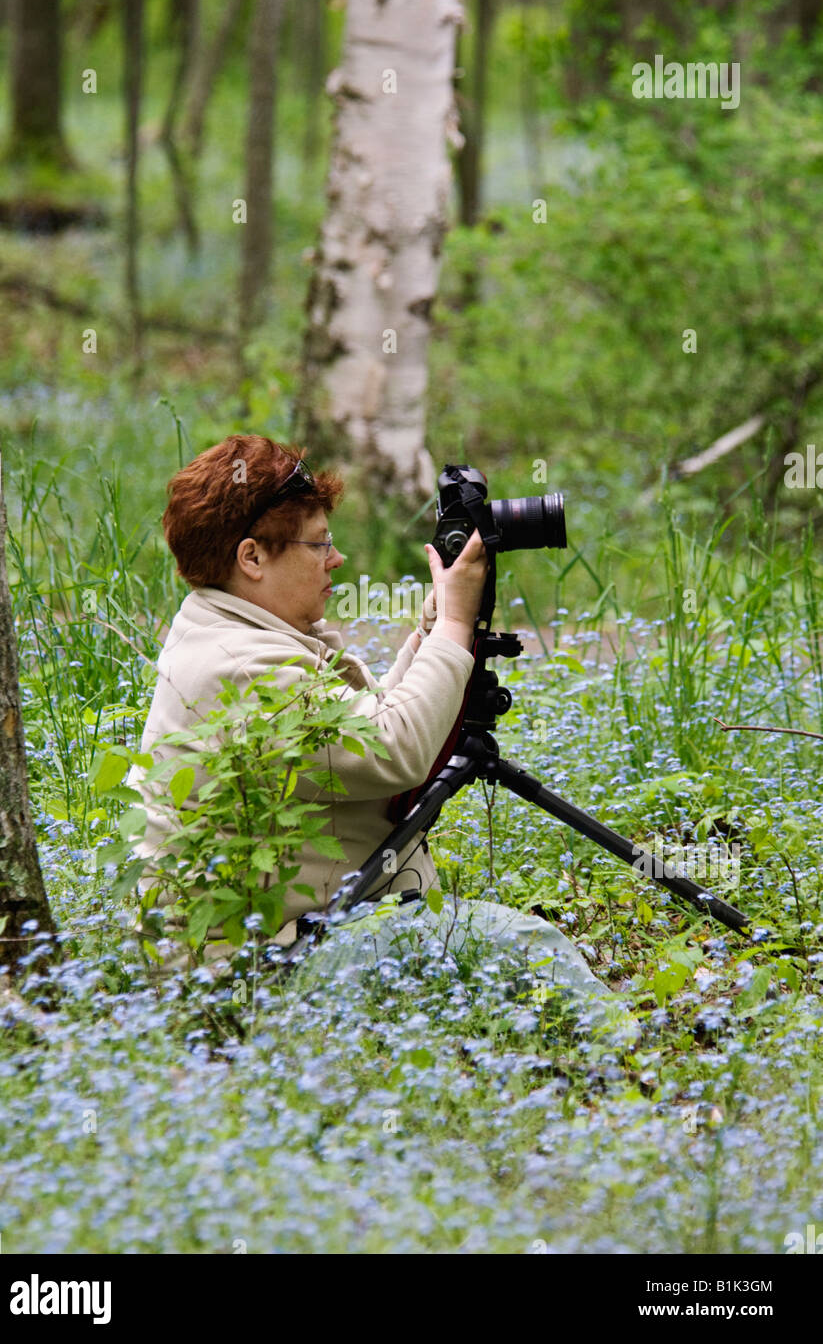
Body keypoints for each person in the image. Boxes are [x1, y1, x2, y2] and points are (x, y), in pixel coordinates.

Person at [127, 434, 637, 1042]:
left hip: (290, 939)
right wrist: (453, 623)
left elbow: (362, 729)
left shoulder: (233, 633)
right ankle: (628, 1071)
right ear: (252, 558)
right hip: (259, 975)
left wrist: (431, 631)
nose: (335, 559)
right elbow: (395, 752)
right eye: (319, 543)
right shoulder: (241, 666)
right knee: (524, 945)